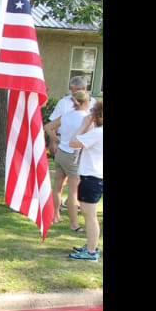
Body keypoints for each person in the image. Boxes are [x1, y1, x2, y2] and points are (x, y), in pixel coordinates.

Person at [43, 90, 90, 232]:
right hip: (74, 156)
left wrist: (56, 140)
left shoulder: (66, 115)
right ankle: (74, 224)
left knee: (57, 187)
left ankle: (55, 215)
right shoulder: (86, 119)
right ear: (86, 103)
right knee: (73, 192)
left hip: (61, 153)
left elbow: (47, 127)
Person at [68, 99, 103, 261]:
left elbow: (73, 142)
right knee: (91, 215)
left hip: (91, 178)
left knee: (90, 216)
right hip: (96, 178)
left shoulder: (97, 133)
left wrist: (83, 125)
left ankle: (91, 251)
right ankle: (91, 245)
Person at [48, 76, 91, 157]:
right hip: (65, 144)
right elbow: (52, 124)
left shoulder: (92, 102)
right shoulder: (63, 102)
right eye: (77, 89)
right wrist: (53, 142)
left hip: (85, 145)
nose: (81, 91)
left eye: (83, 88)